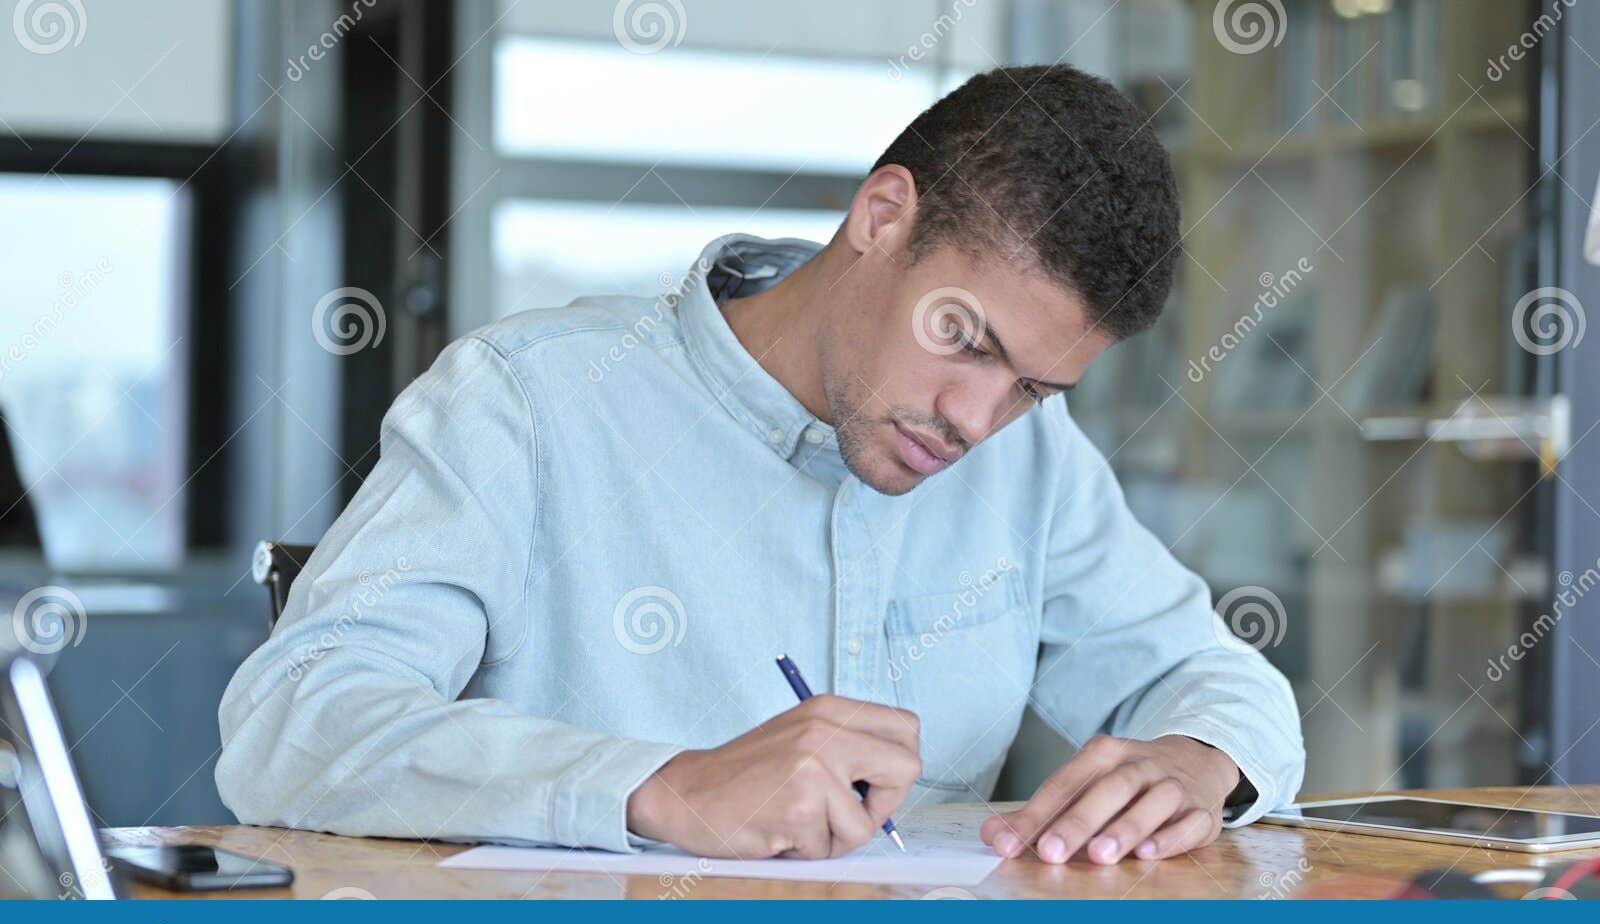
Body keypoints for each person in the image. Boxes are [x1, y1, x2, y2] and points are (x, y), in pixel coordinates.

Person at [217, 65, 1304, 865]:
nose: (976, 420)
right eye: (964, 338)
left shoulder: (1030, 464)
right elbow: (296, 720)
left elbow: (1211, 675)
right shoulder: (529, 401)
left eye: (1031, 386)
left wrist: (1200, 759)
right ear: (882, 217)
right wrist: (656, 785)